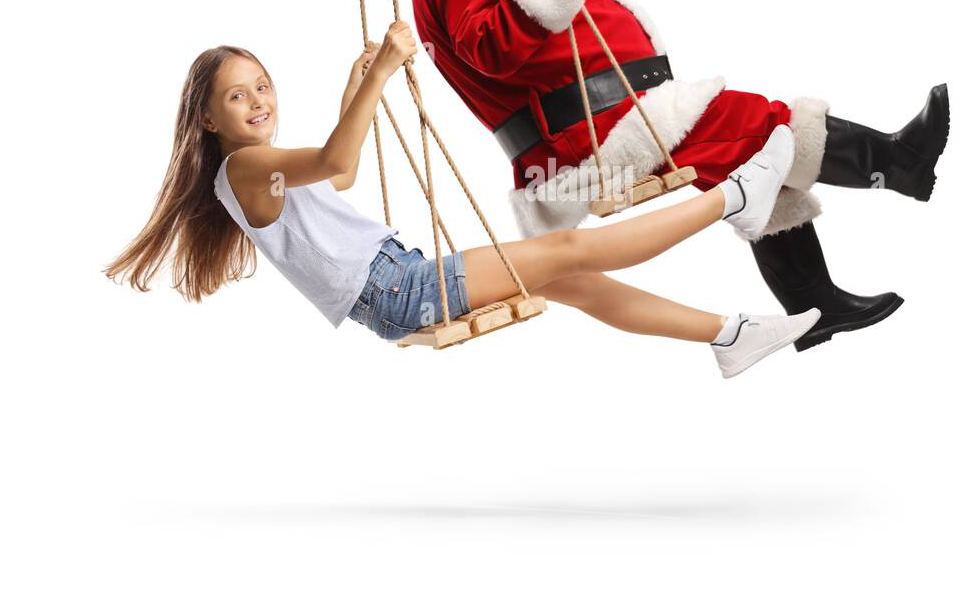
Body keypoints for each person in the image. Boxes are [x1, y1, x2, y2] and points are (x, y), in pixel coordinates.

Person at [390, 0, 951, 351]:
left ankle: (817, 304)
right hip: (588, 133)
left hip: (614, 113)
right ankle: (901, 161)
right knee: (764, 128)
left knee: (754, 160)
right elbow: (492, 49)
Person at [104, 21, 823, 378]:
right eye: (237, 96)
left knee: (576, 280)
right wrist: (380, 72)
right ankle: (733, 199)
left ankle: (727, 337)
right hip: (402, 289)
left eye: (262, 85)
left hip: (398, 288)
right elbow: (337, 160)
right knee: (567, 248)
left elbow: (335, 179)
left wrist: (358, 87)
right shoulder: (246, 168)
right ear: (208, 118)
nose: (258, 100)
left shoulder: (253, 173)